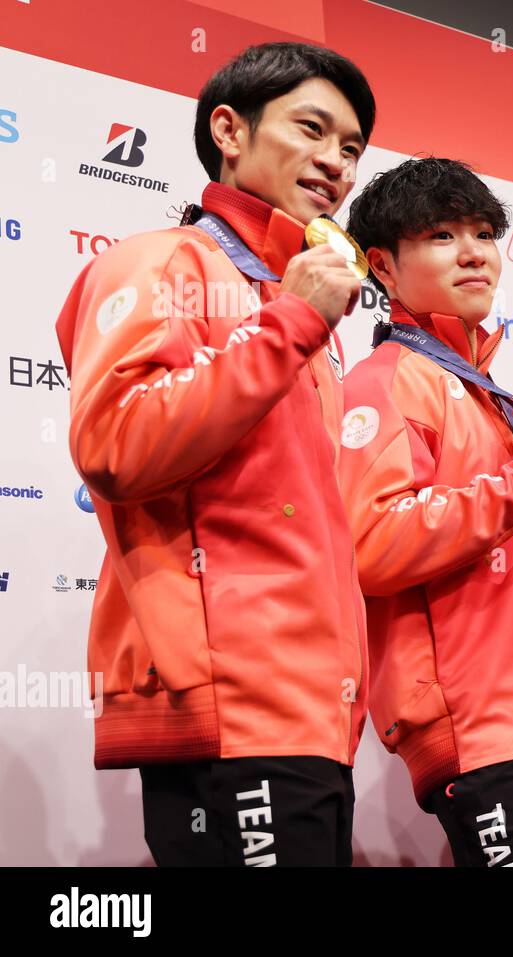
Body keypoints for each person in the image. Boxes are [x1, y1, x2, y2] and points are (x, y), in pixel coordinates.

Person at [54, 42, 376, 865]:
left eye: (350, 148)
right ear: (228, 130)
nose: (335, 163)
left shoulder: (295, 301)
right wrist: (293, 323)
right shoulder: (163, 261)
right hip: (232, 707)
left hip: (311, 712)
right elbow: (114, 442)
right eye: (313, 129)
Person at [340, 157, 513, 866]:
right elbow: (372, 546)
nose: (473, 252)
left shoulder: (491, 394)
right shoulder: (385, 383)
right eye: (441, 235)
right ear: (383, 265)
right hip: (485, 735)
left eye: (486, 232)